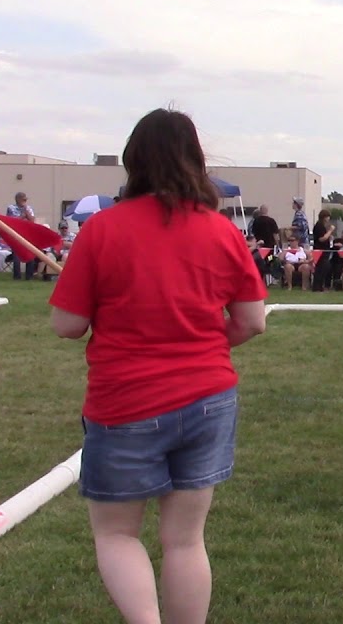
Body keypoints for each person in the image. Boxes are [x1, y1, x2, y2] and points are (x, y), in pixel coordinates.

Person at [49, 108, 267, 624]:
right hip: (209, 398)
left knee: (118, 533)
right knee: (186, 540)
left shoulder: (102, 231)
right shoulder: (221, 232)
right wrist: (207, 342)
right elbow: (253, 321)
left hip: (125, 401)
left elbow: (67, 325)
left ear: (134, 161)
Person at [7, 192, 38, 281]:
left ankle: (29, 276)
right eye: (23, 200)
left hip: (27, 234)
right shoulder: (11, 208)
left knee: (30, 254)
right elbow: (12, 221)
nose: (25, 201)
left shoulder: (29, 208)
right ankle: (17, 276)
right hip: (16, 234)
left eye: (26, 200)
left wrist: (26, 213)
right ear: (18, 199)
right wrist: (22, 216)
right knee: (17, 256)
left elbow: (32, 221)